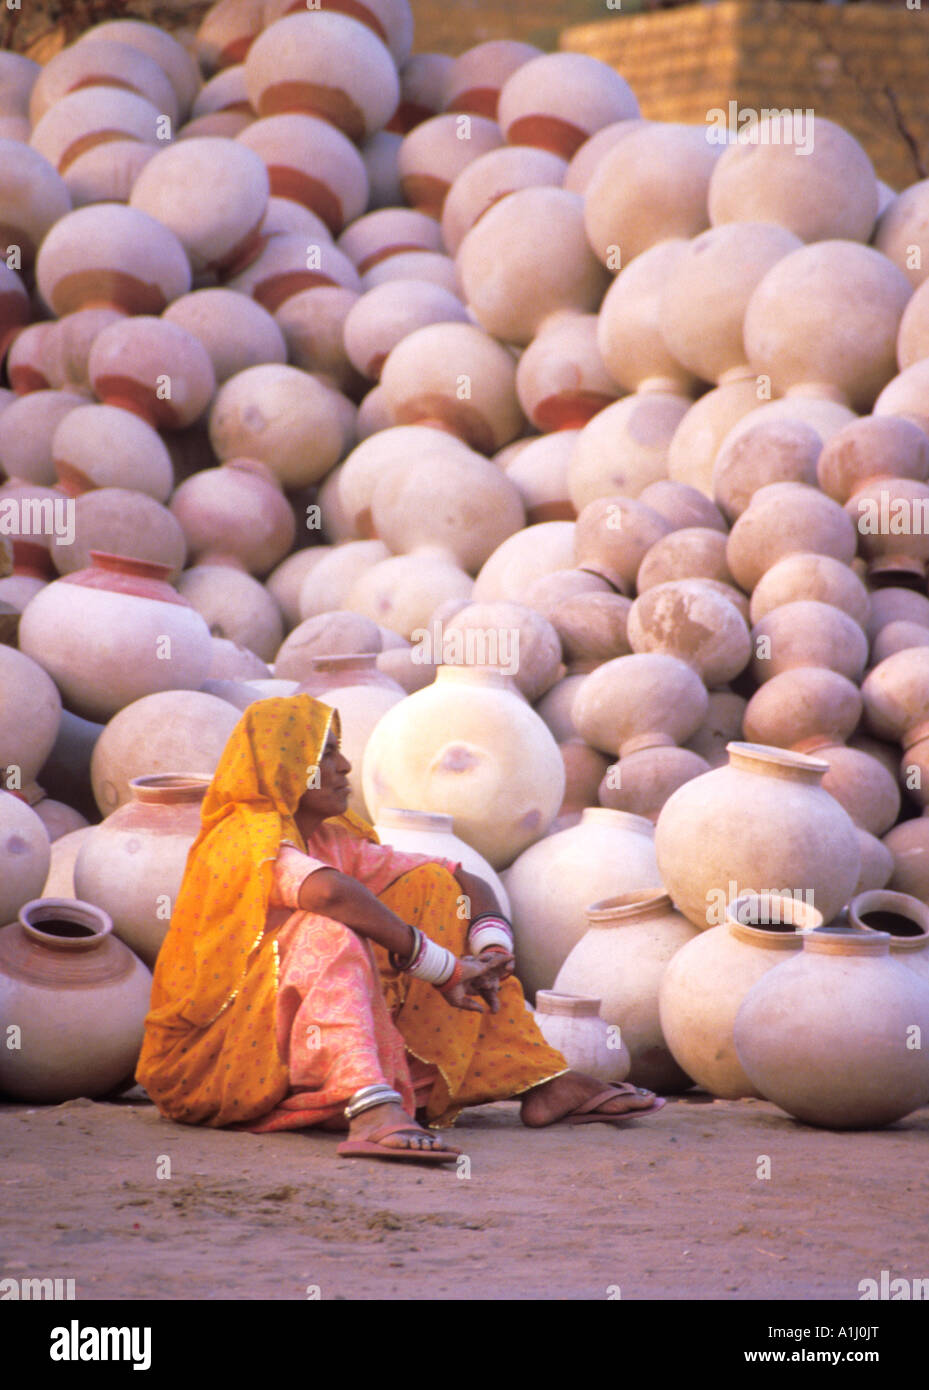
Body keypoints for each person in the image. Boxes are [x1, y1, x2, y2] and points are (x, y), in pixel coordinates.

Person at [137, 694, 664, 1164]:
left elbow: (462, 880)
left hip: (295, 1047)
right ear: (281, 767)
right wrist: (440, 967)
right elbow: (328, 894)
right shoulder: (243, 834)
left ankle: (538, 1081)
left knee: (430, 885)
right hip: (220, 1059)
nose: (344, 767)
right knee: (328, 931)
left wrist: (489, 949)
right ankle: (368, 1104)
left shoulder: (331, 839)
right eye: (326, 754)